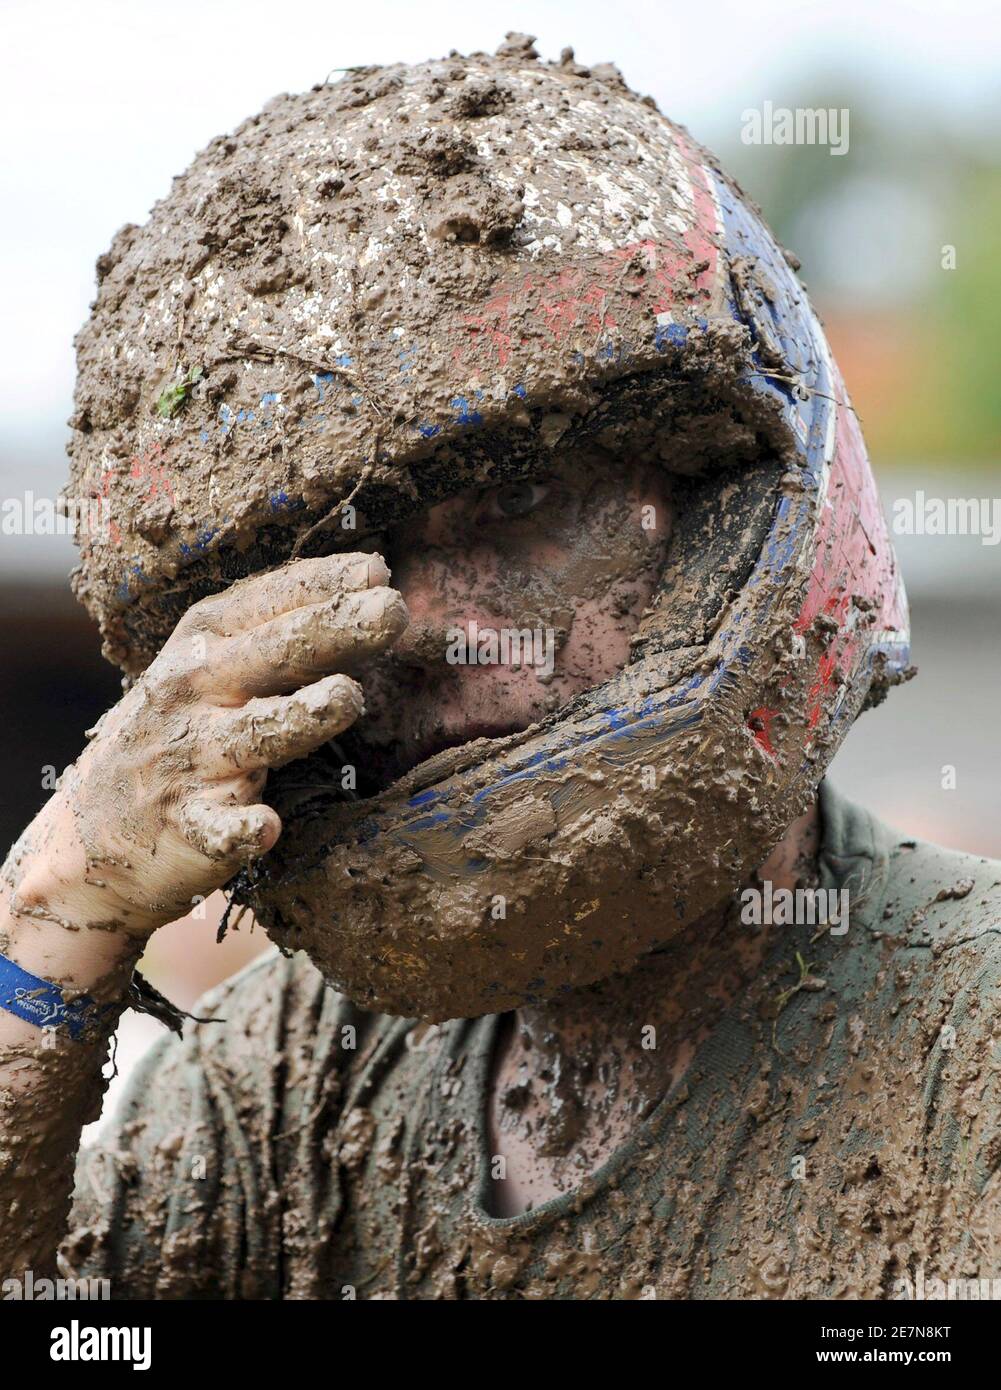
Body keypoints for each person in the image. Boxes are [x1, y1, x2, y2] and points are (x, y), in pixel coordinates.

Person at [2, 36, 999, 1301]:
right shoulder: (277, 1092)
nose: (406, 628)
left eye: (520, 500)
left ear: (706, 503)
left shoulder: (965, 1035)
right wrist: (53, 912)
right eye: (335, 560)